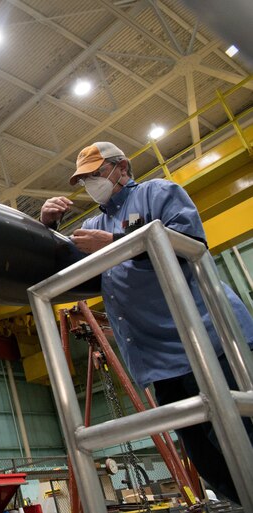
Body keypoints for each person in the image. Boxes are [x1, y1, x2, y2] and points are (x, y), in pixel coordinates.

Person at [40, 141, 253, 504]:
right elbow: (60, 265)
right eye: (84, 180)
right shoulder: (94, 224)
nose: (92, 184)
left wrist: (116, 242)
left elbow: (188, 243)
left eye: (96, 174)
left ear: (121, 167)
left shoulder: (158, 193)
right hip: (157, 361)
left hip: (207, 340)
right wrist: (47, 224)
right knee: (207, 458)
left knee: (244, 435)